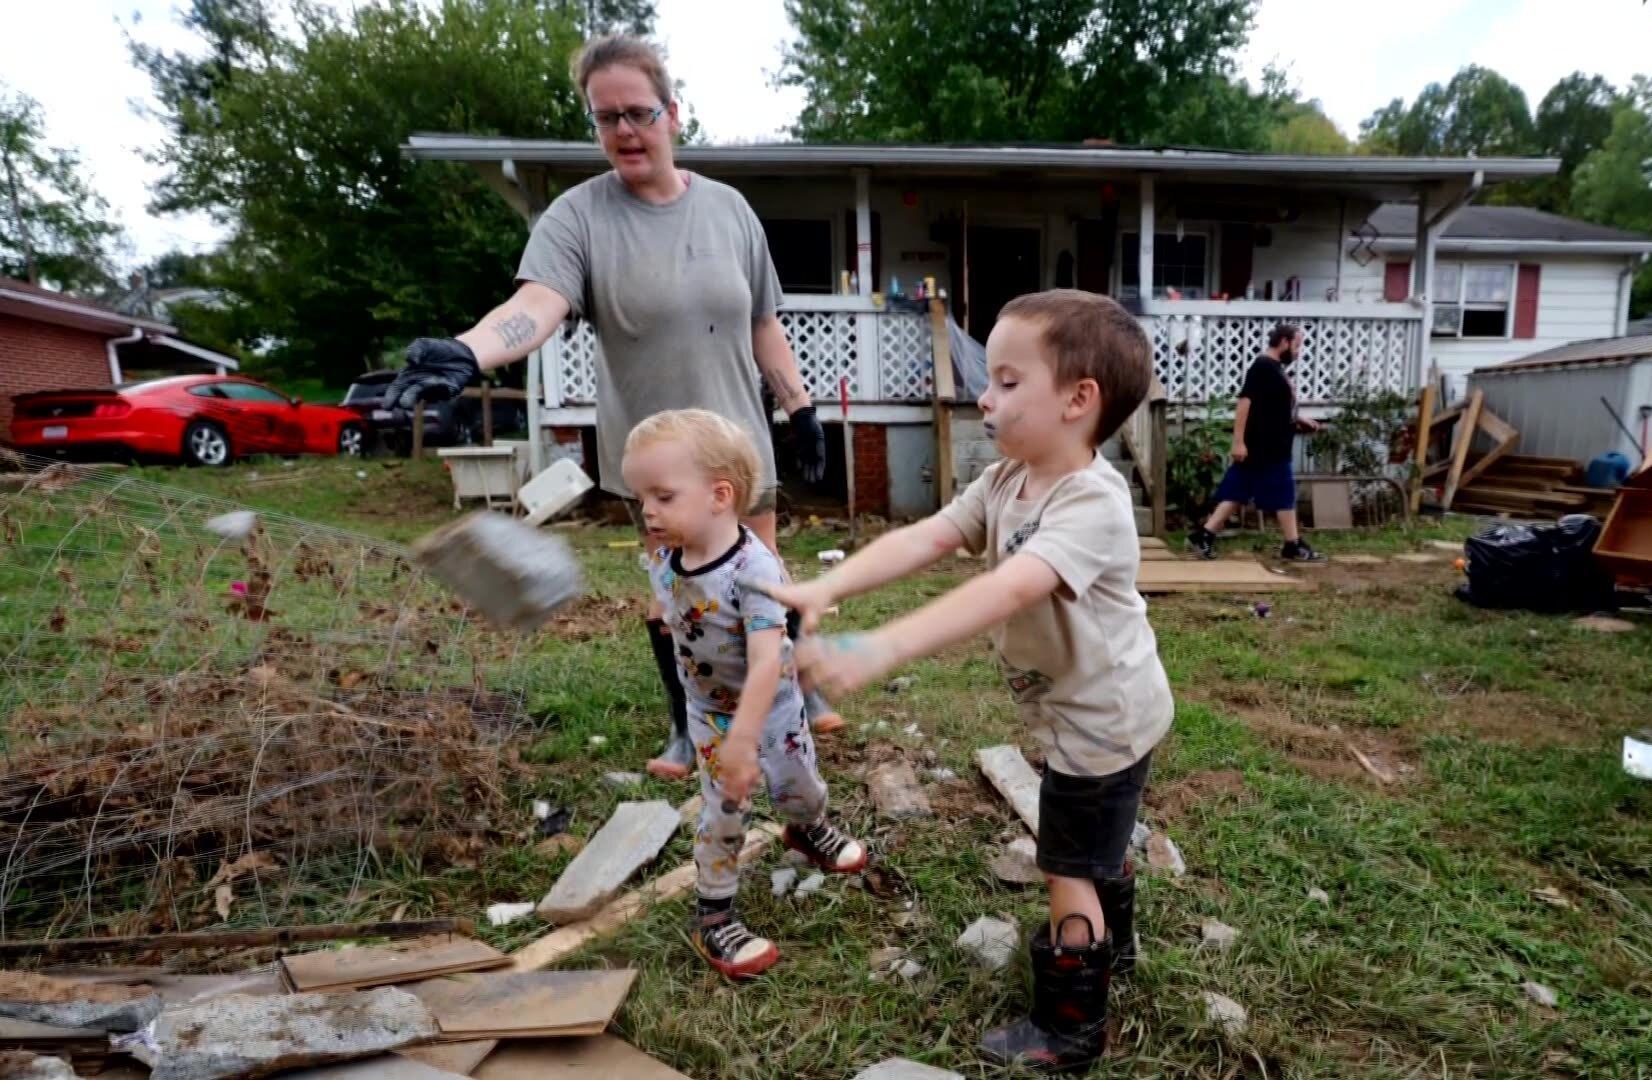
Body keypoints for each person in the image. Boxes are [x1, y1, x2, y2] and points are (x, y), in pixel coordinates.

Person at [378, 35, 840, 776]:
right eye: (605, 118)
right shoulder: (578, 217)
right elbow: (537, 304)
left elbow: (762, 321)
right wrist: (470, 350)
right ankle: (689, 729)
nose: (624, 130)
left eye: (637, 112)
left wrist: (801, 406)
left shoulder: (730, 211)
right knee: (676, 595)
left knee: (764, 576)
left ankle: (795, 696)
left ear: (672, 114)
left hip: (740, 444)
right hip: (655, 456)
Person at [769, 290, 1171, 1072]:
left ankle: (1070, 1029)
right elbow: (931, 535)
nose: (985, 395)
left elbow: (1012, 587)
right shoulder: (1007, 480)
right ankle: (1114, 950)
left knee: (1066, 865)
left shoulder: (1091, 501)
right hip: (1083, 710)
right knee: (1094, 841)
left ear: (1077, 401)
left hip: (1104, 719)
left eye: (1009, 381)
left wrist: (883, 647)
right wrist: (832, 587)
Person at [623, 408, 868, 979]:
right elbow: (668, 595)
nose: (647, 511)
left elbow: (764, 666)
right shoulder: (666, 554)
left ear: (720, 495)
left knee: (799, 785)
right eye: (642, 498)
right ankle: (715, 915)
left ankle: (806, 827)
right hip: (709, 711)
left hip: (773, 709)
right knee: (722, 810)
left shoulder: (755, 572)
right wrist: (666, 611)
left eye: (661, 496)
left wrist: (747, 740)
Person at [1186, 323, 1325, 562]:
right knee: (1284, 492)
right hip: (1265, 447)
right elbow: (1244, 403)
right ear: (1284, 342)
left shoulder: (1274, 369)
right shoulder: (1262, 367)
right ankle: (1292, 544)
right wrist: (1238, 442)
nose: (1298, 352)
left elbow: (1272, 406)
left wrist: (1298, 419)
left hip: (1267, 446)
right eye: (1297, 345)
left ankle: (1204, 535)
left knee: (1237, 492)